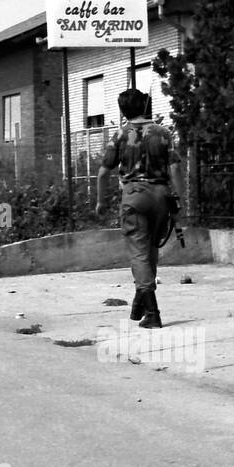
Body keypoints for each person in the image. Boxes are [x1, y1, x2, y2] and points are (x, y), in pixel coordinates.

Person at [94, 88, 184, 329]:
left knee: (138, 252)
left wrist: (101, 201)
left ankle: (152, 312)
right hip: (161, 197)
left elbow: (103, 172)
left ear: (123, 110)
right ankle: (139, 302)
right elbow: (175, 169)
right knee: (151, 249)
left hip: (134, 197)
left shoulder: (120, 135)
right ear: (145, 106)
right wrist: (179, 199)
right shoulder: (164, 133)